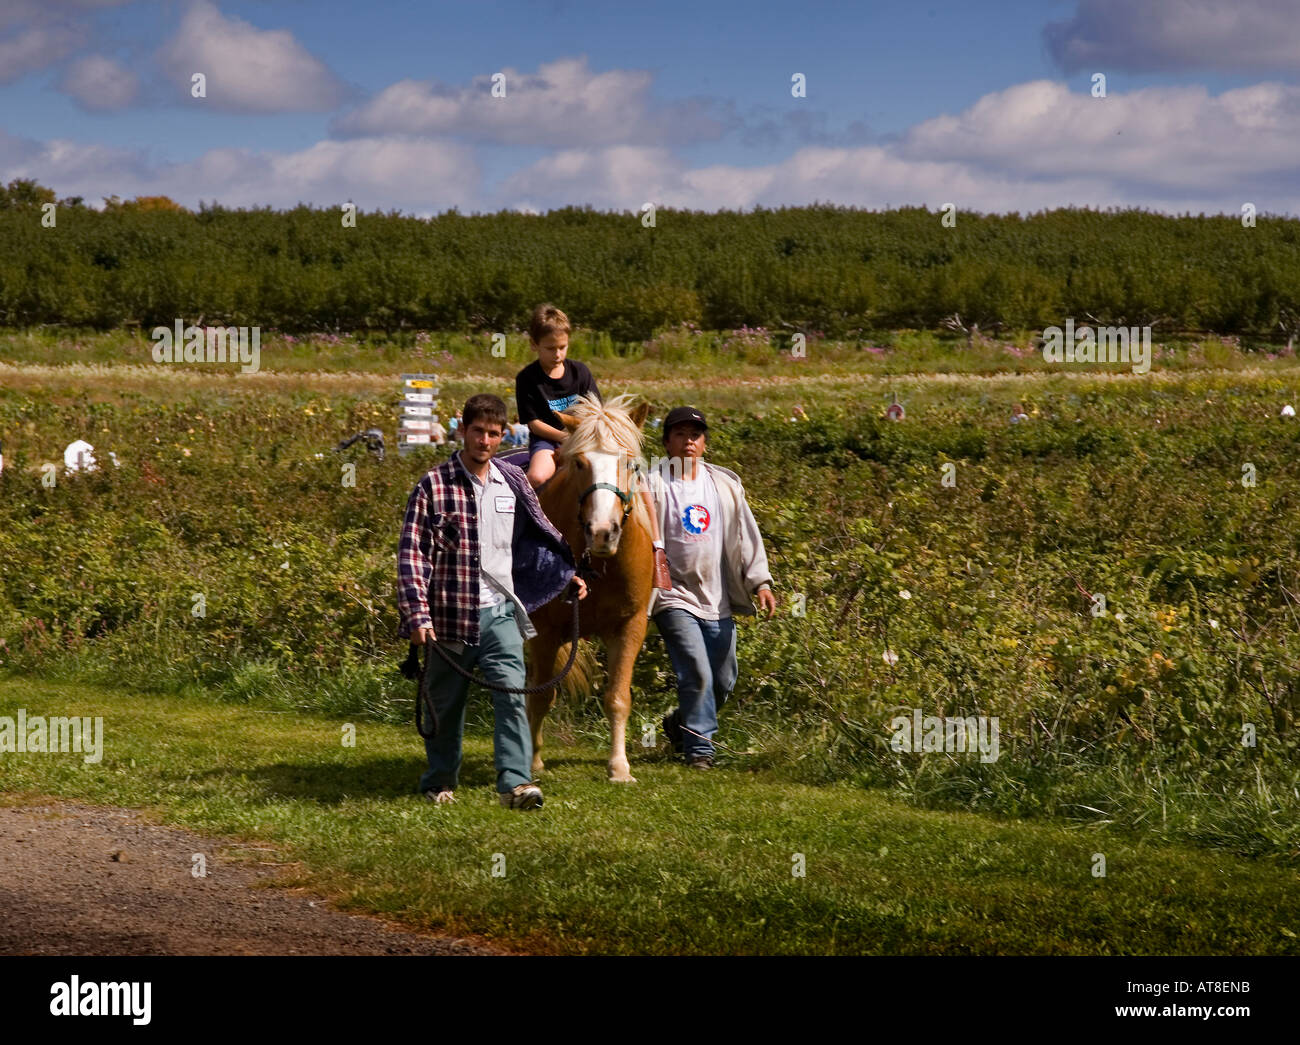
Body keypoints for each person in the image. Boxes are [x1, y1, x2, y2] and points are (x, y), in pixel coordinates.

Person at [397, 393, 588, 810]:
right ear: (462, 431)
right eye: (478, 432)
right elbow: (412, 554)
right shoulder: (433, 485)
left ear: (503, 436)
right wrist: (416, 614)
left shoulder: (512, 480)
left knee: (512, 695)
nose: (485, 440)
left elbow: (537, 537)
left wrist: (564, 575)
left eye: (494, 434)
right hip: (448, 615)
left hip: (501, 612)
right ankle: (440, 780)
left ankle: (515, 784)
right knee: (444, 706)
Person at [646, 407, 778, 769]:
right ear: (666, 442)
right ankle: (700, 752)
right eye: (680, 434)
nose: (688, 440)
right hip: (672, 595)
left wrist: (761, 582)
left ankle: (680, 725)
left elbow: (746, 537)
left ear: (704, 443)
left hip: (717, 597)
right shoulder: (649, 483)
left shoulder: (724, 485)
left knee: (723, 679)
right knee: (697, 672)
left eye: (695, 434)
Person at [515, 303, 670, 587]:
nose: (558, 354)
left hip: (587, 440)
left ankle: (657, 546)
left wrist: (588, 437)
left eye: (562, 346)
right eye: (550, 348)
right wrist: (566, 438)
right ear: (534, 345)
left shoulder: (580, 372)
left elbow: (598, 412)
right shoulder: (527, 378)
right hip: (550, 440)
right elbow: (533, 423)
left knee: (639, 480)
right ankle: (525, 537)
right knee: (536, 476)